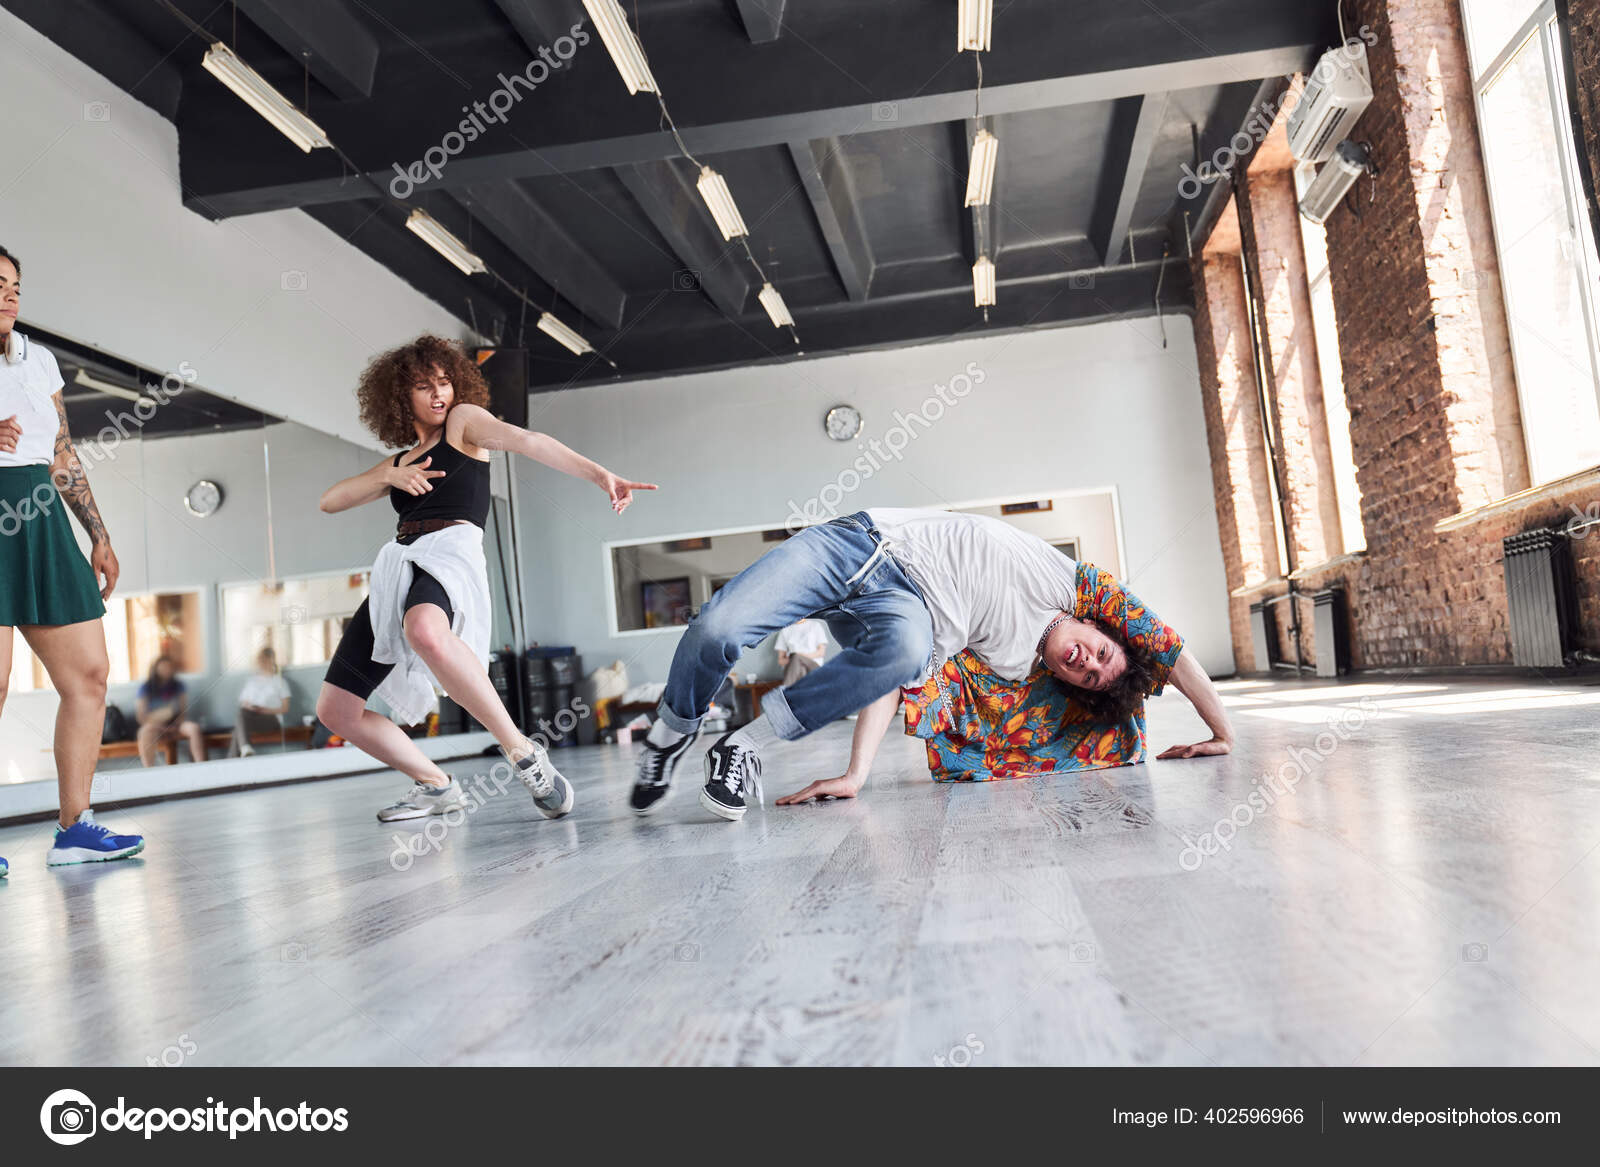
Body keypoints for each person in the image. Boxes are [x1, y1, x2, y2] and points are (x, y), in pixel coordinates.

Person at [630, 507, 1233, 821]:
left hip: (902, 610)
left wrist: (855, 774)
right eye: (1099, 653)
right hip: (856, 547)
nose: (1086, 662)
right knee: (717, 631)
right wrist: (1223, 732)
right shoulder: (1072, 584)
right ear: (1098, 626)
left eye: (1087, 677)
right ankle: (668, 735)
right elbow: (1168, 648)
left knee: (905, 652)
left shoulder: (1005, 665)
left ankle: (744, 747)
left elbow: (893, 681)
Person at [315, 334, 655, 824]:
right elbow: (331, 500)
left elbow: (528, 441)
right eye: (423, 386)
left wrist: (599, 474)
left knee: (427, 630)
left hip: (448, 553)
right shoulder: (401, 461)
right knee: (336, 712)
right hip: (399, 567)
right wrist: (387, 477)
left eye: (445, 382)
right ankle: (436, 786)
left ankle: (521, 751)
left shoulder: (463, 424)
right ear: (399, 397)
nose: (439, 394)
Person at [0, 243, 143, 872]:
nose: (10, 294)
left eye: (15, 284)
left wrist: (98, 534)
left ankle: (75, 828)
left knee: (89, 676)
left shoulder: (39, 359)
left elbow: (61, 454)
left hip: (40, 517)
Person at [136, 655, 207, 766]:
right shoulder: (146, 687)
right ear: (156, 668)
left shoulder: (179, 686)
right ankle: (148, 769)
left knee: (194, 728)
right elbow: (141, 716)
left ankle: (201, 765)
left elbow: (183, 711)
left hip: (176, 724)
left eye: (169, 667)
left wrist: (175, 724)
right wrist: (158, 724)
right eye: (163, 667)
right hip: (155, 726)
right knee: (145, 731)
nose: (166, 670)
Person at [230, 646, 291, 757]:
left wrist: (264, 710)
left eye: (264, 660)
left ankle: (239, 753)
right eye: (260, 660)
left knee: (238, 728)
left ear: (271, 660)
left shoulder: (279, 681)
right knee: (242, 714)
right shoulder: (251, 681)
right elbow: (244, 703)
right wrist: (252, 708)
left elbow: (285, 708)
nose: (261, 663)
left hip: (271, 720)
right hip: (252, 717)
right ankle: (244, 748)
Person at [775, 618, 828, 685]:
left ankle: (784, 689)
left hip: (813, 665)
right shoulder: (785, 630)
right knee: (801, 669)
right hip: (794, 667)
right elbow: (781, 660)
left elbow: (821, 653)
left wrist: (798, 656)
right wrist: (794, 660)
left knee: (796, 657)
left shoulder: (815, 625)